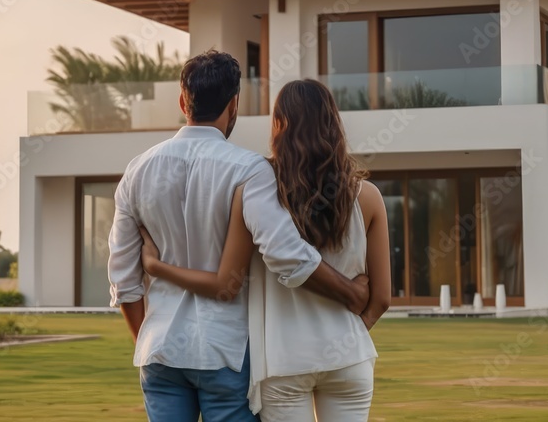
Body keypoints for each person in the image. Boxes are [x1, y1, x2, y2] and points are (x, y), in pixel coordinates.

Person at [107, 51, 370, 422]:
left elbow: (123, 279)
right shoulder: (249, 170)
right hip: (226, 351)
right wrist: (351, 292)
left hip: (160, 351)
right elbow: (285, 253)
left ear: (183, 101)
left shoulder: (136, 171)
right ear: (234, 105)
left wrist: (152, 343)